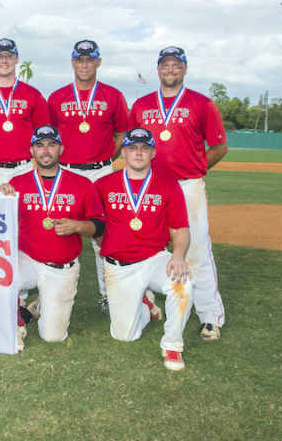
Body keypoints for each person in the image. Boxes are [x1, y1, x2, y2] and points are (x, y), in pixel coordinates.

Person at [129, 46, 227, 341]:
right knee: (146, 247)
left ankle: (210, 316)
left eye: (176, 65)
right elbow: (134, 147)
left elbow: (220, 146)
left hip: (187, 185)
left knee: (197, 251)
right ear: (158, 69)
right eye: (165, 65)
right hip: (151, 185)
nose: (170, 69)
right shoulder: (142, 104)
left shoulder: (201, 103)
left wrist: (196, 168)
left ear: (184, 69)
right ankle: (145, 301)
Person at [94, 127, 193, 370]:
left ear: (152, 153)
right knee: (124, 335)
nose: (138, 153)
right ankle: (146, 308)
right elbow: (94, 225)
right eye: (132, 148)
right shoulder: (103, 184)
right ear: (124, 152)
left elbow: (180, 228)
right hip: (118, 266)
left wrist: (178, 255)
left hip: (154, 259)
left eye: (144, 148)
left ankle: (172, 345)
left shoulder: (168, 185)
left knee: (183, 282)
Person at [0, 125, 104, 350]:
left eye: (51, 145)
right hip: (28, 259)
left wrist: (78, 226)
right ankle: (16, 324)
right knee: (1, 276)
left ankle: (40, 306)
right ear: (32, 151)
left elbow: (98, 226)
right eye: (40, 145)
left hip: (61, 266)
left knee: (53, 337)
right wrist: (0, 199)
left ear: (61, 149)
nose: (45, 150)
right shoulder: (17, 183)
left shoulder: (82, 184)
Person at [47, 39, 130, 317]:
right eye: (80, 60)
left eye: (90, 59)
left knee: (103, 236)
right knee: (57, 229)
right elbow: (49, 138)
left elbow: (122, 134)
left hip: (101, 171)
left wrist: (107, 157)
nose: (84, 65)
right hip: (66, 172)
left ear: (98, 62)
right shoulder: (57, 97)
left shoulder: (113, 96)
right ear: (72, 62)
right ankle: (49, 292)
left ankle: (108, 295)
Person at [0, 38, 49, 191]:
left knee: (24, 215)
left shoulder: (33, 95)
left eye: (9, 56)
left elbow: (43, 135)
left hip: (23, 168)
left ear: (17, 59)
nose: (4, 61)